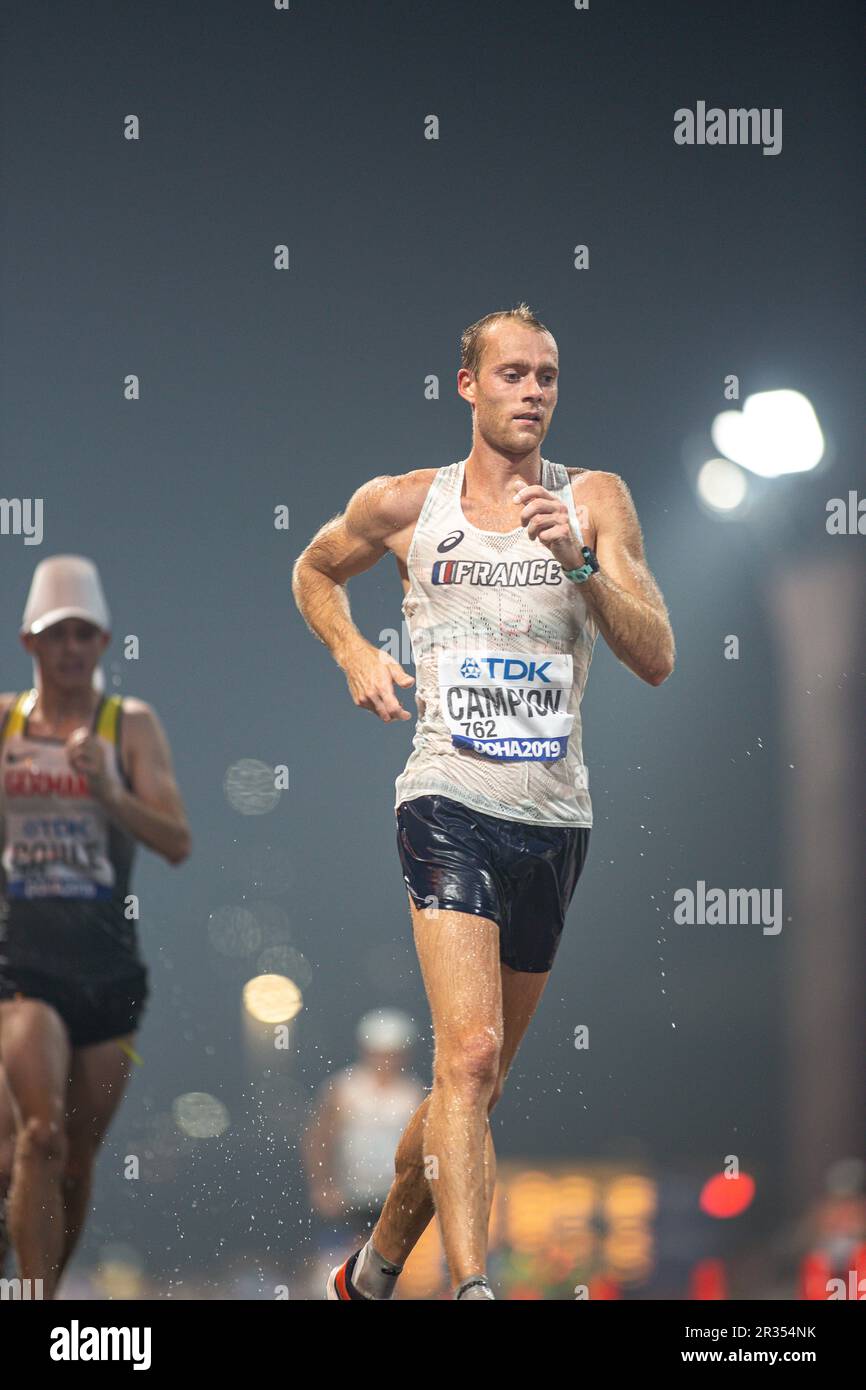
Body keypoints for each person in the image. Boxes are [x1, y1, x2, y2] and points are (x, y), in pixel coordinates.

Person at [292, 303, 675, 1300]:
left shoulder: (591, 500)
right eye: (511, 374)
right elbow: (313, 569)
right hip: (443, 801)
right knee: (463, 1053)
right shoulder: (408, 502)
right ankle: (472, 1285)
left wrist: (579, 564)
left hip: (551, 820)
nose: (532, 392)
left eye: (546, 376)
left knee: (475, 1083)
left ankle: (373, 1265)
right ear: (467, 385)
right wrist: (353, 652)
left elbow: (657, 657)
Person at [0, 554, 191, 1297]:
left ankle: (41, 1286)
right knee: (39, 1137)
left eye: (84, 635)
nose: (71, 649)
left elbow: (175, 841)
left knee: (76, 1160)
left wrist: (109, 789)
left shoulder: (129, 726)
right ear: (30, 644)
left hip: (109, 974)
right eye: (57, 635)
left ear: (104, 644)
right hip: (21, 966)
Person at [303, 1009, 424, 1295]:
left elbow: (422, 1151)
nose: (386, 1061)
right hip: (349, 1194)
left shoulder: (412, 1092)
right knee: (338, 1271)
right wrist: (322, 1185)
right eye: (380, 1053)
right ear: (366, 1051)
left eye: (393, 1053)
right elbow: (319, 1139)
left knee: (389, 1274)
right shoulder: (344, 1088)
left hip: (393, 1197)